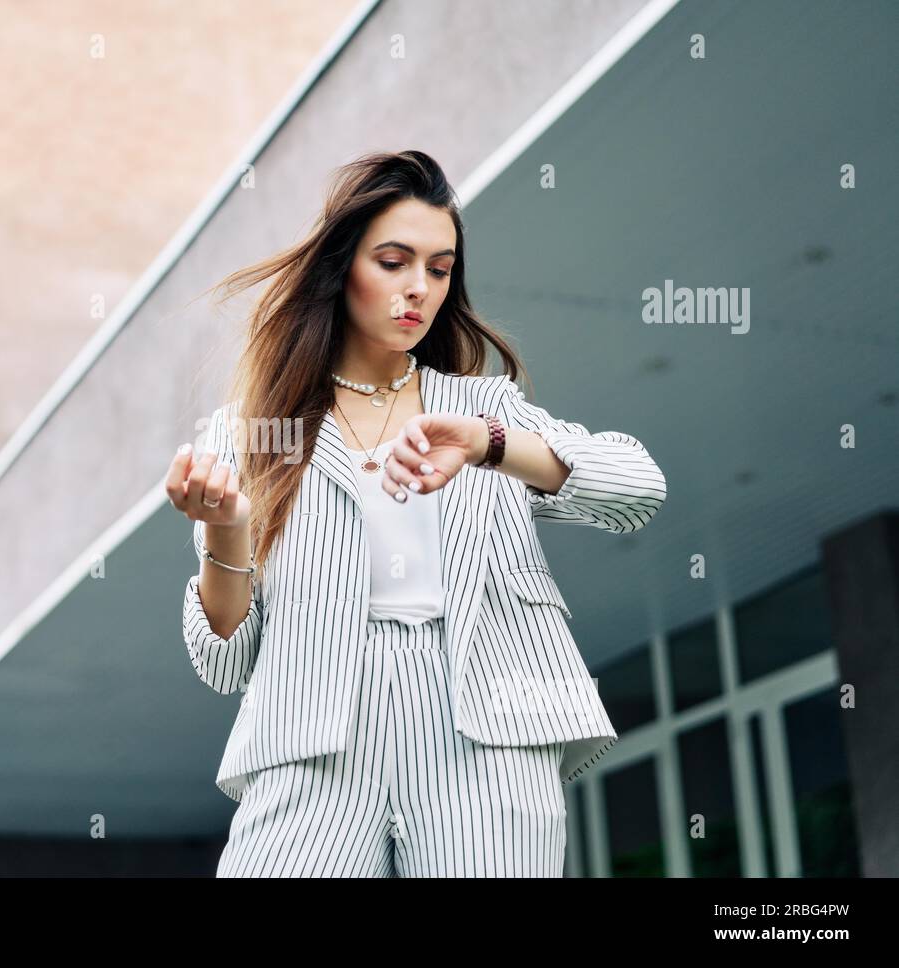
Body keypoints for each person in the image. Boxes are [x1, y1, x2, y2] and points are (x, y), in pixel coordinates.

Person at [165, 150, 666, 877]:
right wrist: (226, 528)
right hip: (313, 735)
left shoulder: (483, 407)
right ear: (342, 268)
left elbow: (638, 488)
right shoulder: (250, 432)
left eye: (439, 269)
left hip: (484, 727)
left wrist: (490, 446)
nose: (418, 289)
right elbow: (224, 661)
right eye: (394, 261)